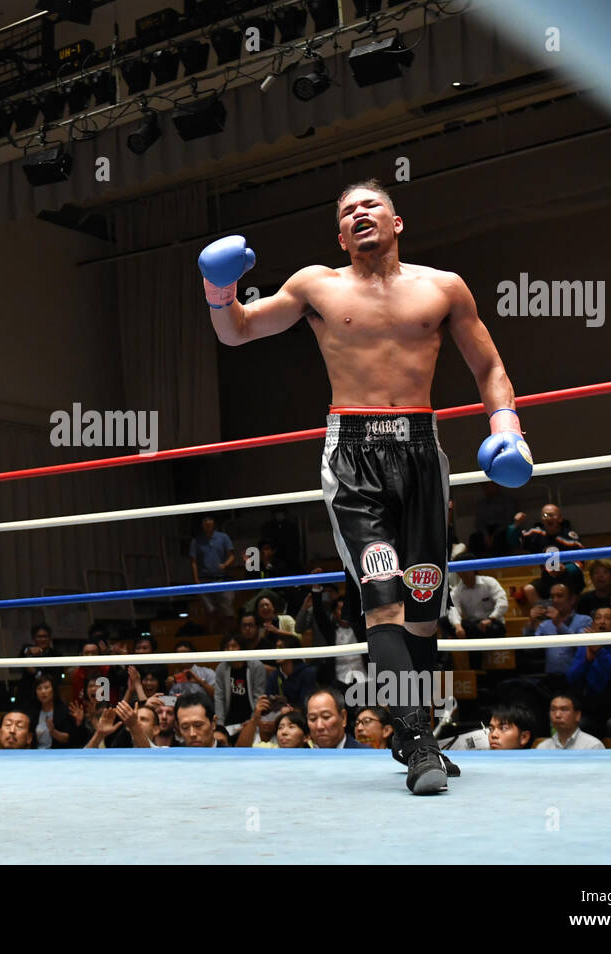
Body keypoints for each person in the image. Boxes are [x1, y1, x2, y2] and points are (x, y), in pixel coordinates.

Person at [201, 178, 532, 792]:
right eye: (347, 211)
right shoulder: (316, 285)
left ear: (397, 220)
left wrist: (507, 428)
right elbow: (238, 330)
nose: (359, 214)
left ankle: (413, 732)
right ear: (339, 234)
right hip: (354, 455)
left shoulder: (443, 287)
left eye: (369, 205)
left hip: (420, 451)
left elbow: (488, 365)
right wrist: (218, 289)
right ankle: (422, 742)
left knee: (425, 610)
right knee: (383, 598)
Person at [566, 607, 611, 749]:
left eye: (607, 618)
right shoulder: (585, 647)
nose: (602, 621)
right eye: (598, 618)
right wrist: (586, 660)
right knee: (582, 725)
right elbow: (571, 679)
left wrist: (600, 652)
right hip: (594, 712)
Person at [521, 582, 591, 677]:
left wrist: (559, 624)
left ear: (572, 599)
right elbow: (529, 649)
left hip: (578, 678)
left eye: (560, 596)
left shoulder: (585, 620)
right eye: (552, 596)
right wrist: (531, 623)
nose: (555, 600)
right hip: (551, 680)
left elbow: (581, 647)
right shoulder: (546, 625)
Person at [189, 516, 236, 630]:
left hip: (223, 579)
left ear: (214, 522)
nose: (207, 522)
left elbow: (232, 556)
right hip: (204, 580)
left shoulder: (223, 537)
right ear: (201, 524)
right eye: (204, 520)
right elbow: (193, 562)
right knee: (211, 611)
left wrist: (224, 565)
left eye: (210, 520)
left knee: (227, 610)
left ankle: (230, 635)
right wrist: (196, 581)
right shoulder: (196, 541)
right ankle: (212, 637)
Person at [446, 554, 508, 639]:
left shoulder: (489, 582)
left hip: (493, 623)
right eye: (460, 568)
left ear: (474, 567)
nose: (463, 572)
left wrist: (491, 619)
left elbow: (502, 603)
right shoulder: (456, 591)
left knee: (494, 628)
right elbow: (454, 610)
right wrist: (458, 627)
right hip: (473, 626)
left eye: (466, 568)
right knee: (445, 622)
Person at [214, 635, 265, 735]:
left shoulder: (256, 666)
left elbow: (258, 696)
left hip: (252, 718)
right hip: (229, 721)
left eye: (234, 646)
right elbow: (219, 697)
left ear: (242, 647)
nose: (230, 649)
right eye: (227, 647)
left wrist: (252, 720)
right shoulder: (221, 668)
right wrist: (220, 726)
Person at [304, 684, 367, 749]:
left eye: (326, 717)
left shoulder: (367, 755)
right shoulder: (300, 756)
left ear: (343, 718)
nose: (319, 726)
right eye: (313, 719)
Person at [535, 693, 605, 750]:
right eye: (553, 709)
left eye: (564, 709)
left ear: (577, 715)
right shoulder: (542, 748)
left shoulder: (593, 746)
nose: (557, 715)